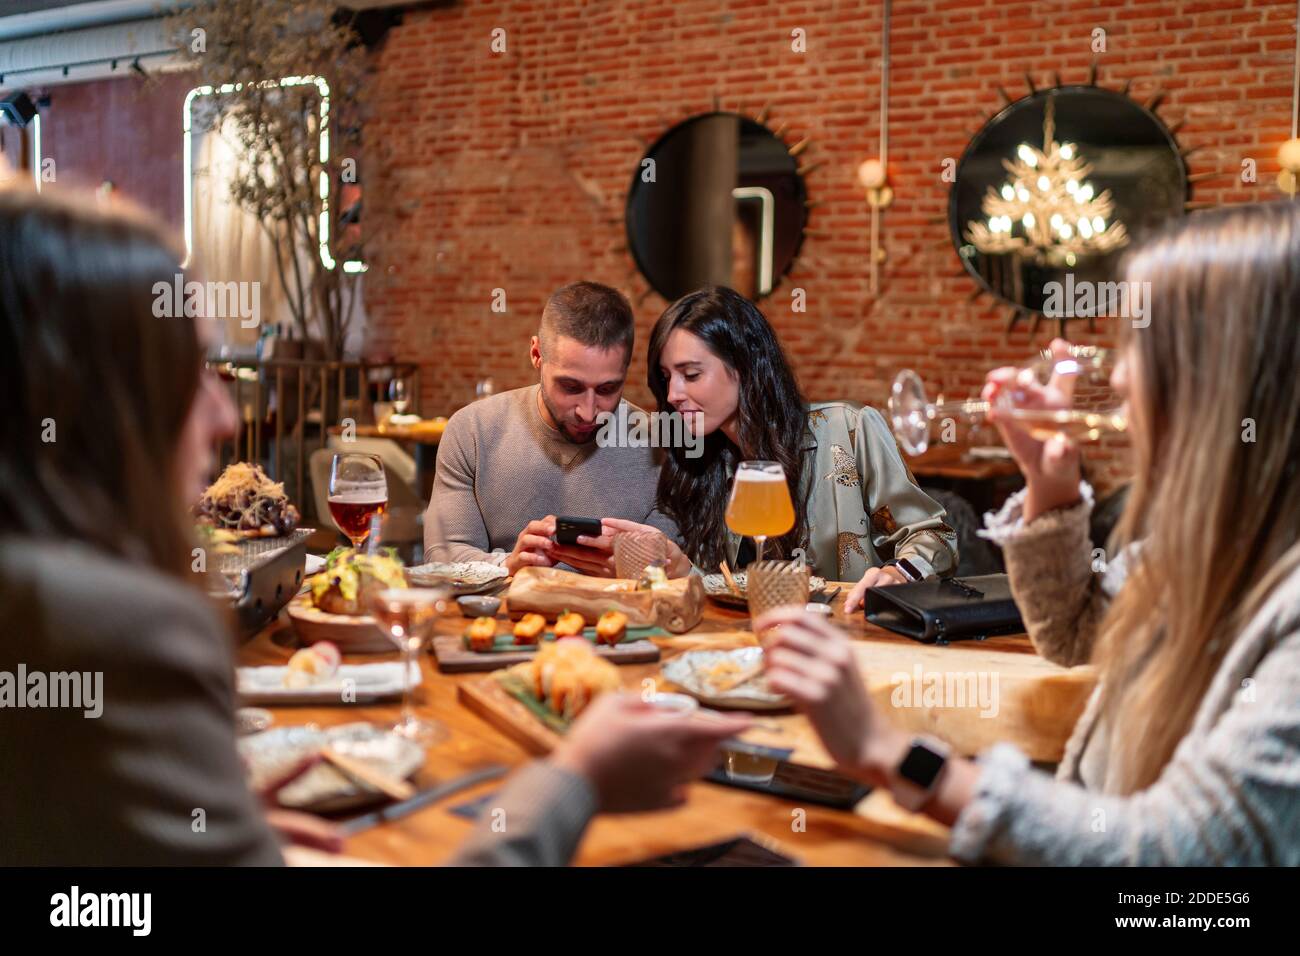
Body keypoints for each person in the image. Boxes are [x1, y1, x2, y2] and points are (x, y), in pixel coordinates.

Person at [0, 188, 747, 865]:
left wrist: (217, 830)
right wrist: (577, 777)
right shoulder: (120, 630)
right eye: (194, 370)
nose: (228, 413)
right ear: (97, 396)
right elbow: (442, 562)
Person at [756, 201, 1300, 865]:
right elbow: (1073, 633)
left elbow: (1178, 855)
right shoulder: (1195, 549)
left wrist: (892, 753)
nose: (1120, 373)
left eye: (1143, 342)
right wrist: (1051, 486)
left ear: (1234, 381)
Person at [643, 286, 956, 606]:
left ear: (744, 366)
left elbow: (935, 536)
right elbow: (731, 590)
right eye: (667, 377)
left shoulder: (848, 429)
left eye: (691, 374)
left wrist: (899, 574)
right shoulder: (702, 464)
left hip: (849, 637)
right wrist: (684, 570)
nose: (672, 394)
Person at [422, 281, 689, 578]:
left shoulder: (663, 446)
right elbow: (443, 557)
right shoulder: (472, 431)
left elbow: (670, 568)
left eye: (607, 388)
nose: (588, 411)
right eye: (570, 386)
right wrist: (508, 565)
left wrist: (639, 566)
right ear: (537, 355)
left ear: (626, 370)